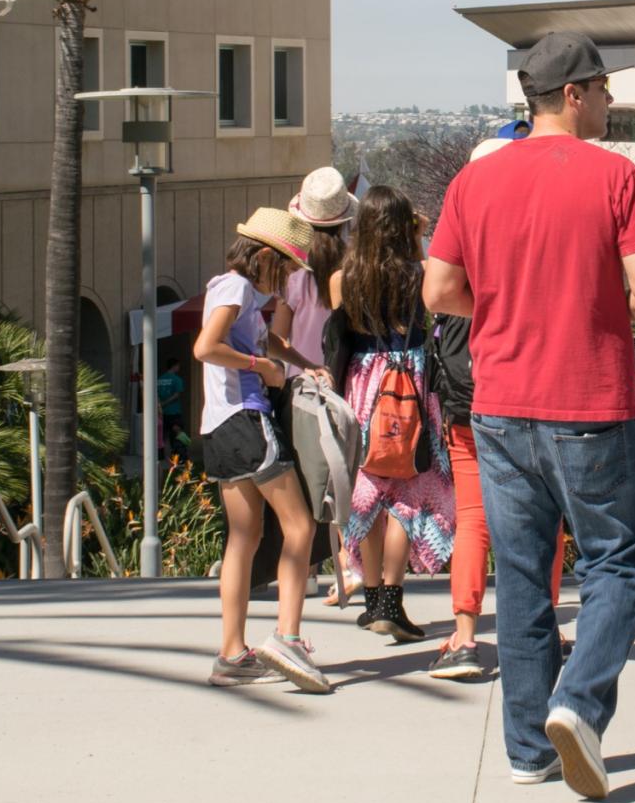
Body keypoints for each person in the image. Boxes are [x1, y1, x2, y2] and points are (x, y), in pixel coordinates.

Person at [424, 30, 635, 801]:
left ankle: (528, 748)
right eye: (601, 87)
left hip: (499, 407)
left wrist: (498, 307)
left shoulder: (475, 183)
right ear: (572, 93)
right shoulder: (615, 176)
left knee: (525, 578)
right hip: (590, 399)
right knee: (620, 565)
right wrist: (597, 309)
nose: (609, 99)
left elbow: (438, 290)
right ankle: (579, 702)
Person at [425, 135, 567, 681]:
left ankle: (464, 637)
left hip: (465, 405)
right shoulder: (524, 240)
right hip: (525, 396)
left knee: (472, 520)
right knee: (545, 517)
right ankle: (544, 628)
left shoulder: (458, 236)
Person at [190, 207, 332, 693]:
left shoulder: (239, 292)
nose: (291, 276)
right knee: (300, 525)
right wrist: (263, 368)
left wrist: (299, 362)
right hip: (248, 420)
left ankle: (231, 652)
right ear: (266, 257)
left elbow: (268, 339)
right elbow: (206, 348)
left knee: (244, 536)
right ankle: (288, 636)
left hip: (220, 427)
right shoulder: (234, 289)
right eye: (288, 266)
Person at [325, 186, 455, 644]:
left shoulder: (343, 278)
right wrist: (418, 237)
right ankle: (392, 603)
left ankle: (372, 597)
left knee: (368, 492)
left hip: (363, 387)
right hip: (409, 387)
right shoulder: (418, 273)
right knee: (407, 493)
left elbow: (340, 335)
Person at [275, 166, 358, 606]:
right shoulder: (350, 269)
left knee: (307, 480)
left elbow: (281, 337)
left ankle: (305, 572)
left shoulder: (293, 275)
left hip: (300, 387)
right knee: (344, 473)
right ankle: (349, 559)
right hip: (342, 380)